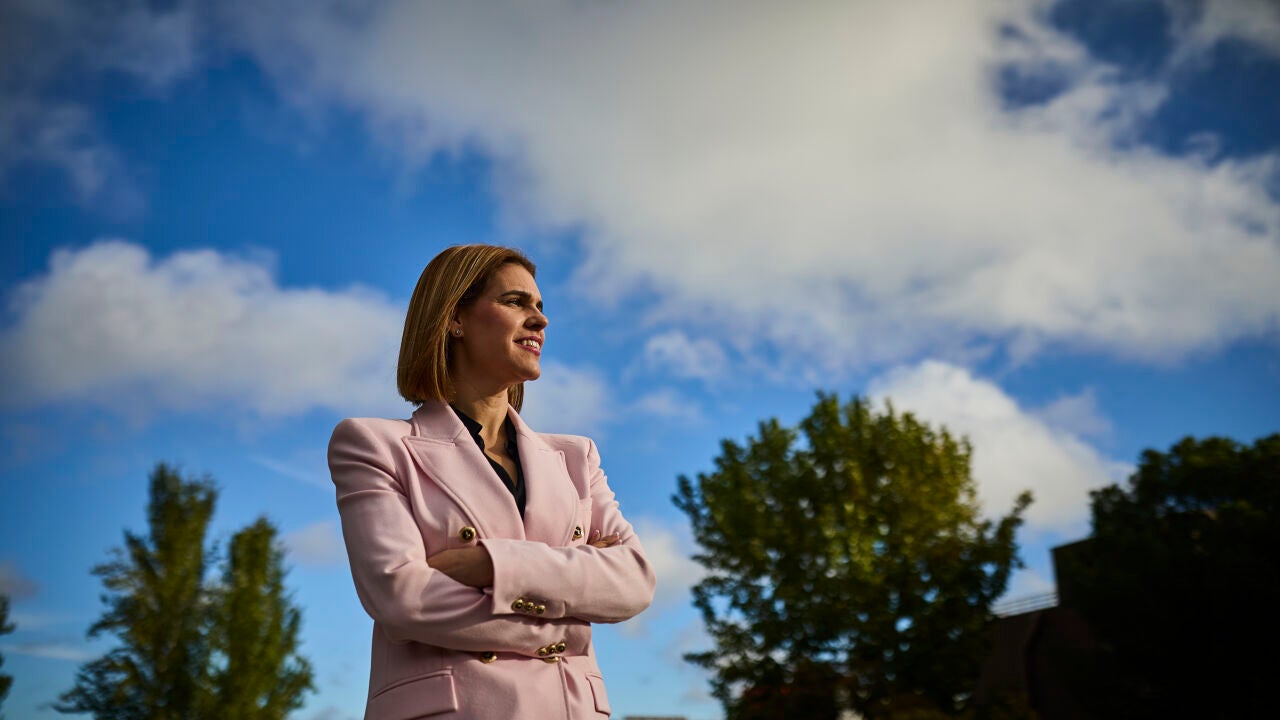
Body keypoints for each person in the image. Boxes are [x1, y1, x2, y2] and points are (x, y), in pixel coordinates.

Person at [328, 244, 656, 719]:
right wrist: (571, 615)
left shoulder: (576, 457)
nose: (540, 320)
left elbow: (634, 581)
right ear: (454, 318)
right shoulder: (374, 444)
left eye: (541, 307)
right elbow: (401, 599)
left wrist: (488, 565)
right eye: (516, 302)